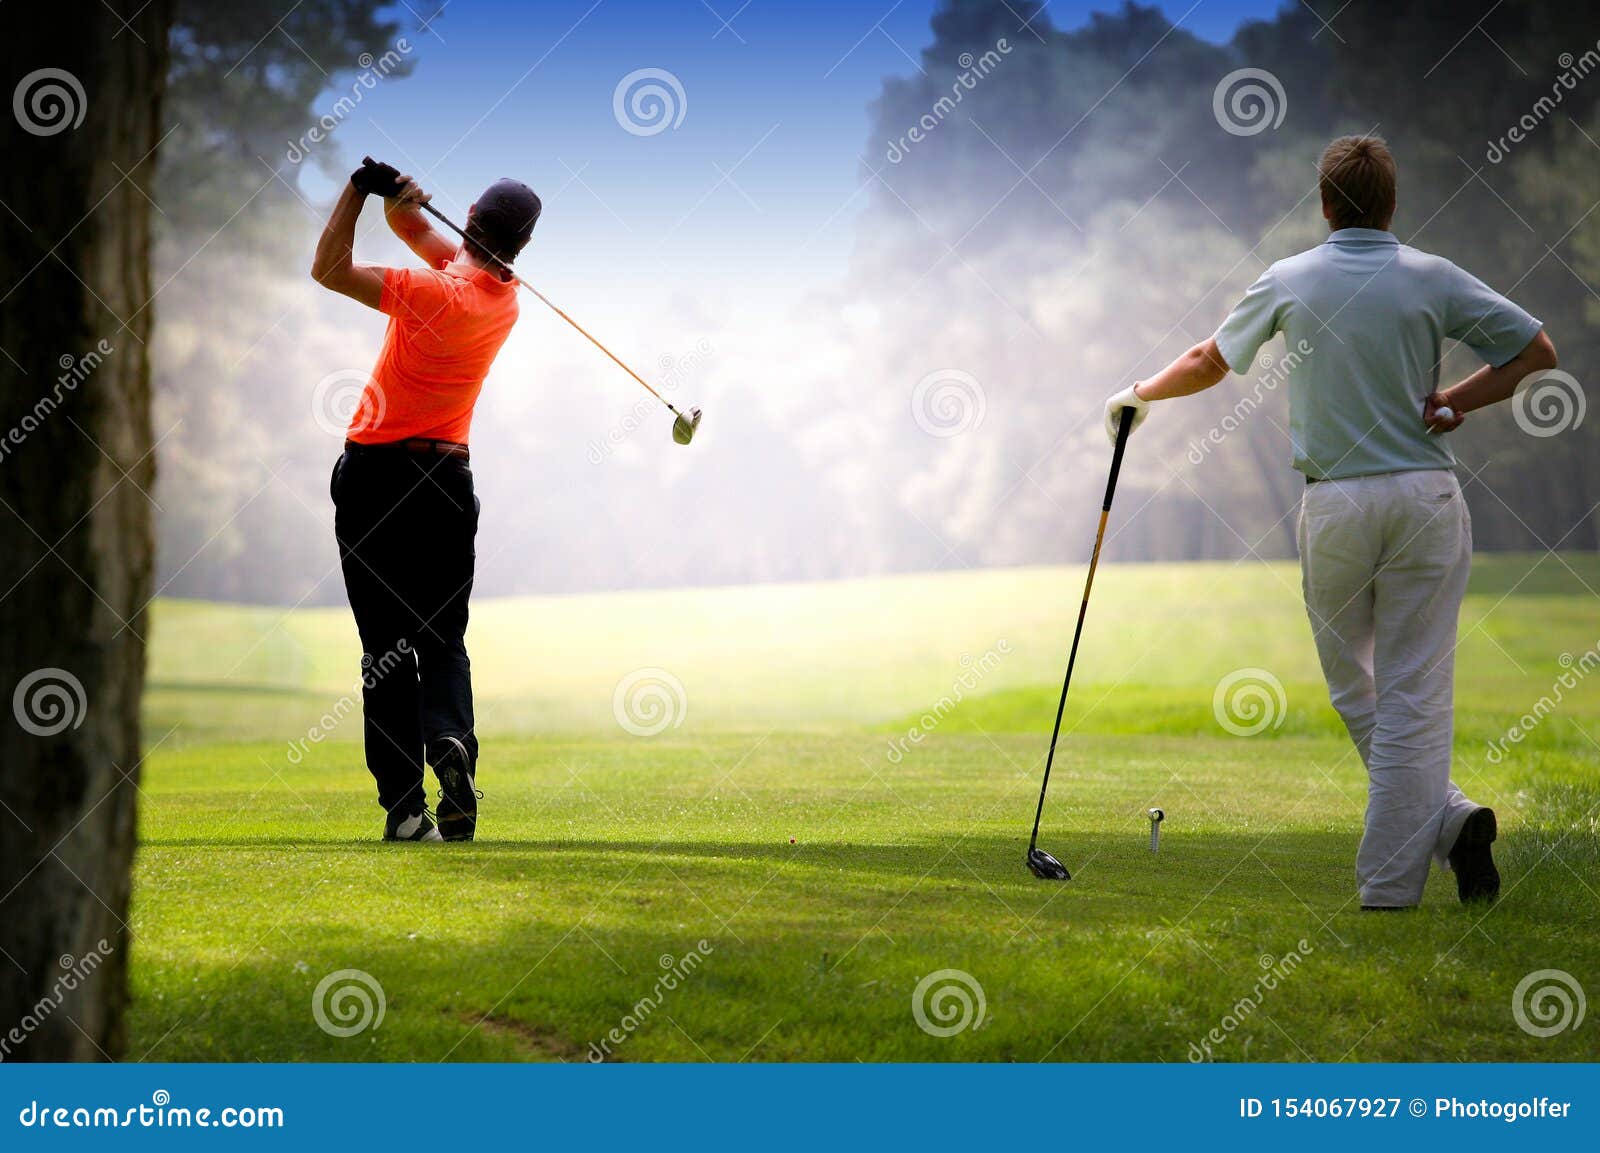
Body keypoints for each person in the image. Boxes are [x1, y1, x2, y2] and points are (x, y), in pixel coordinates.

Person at [1104, 135, 1558, 909]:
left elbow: (1211, 359)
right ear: (1390, 204)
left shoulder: (1290, 277)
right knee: (1413, 690)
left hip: (1338, 503)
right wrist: (1455, 401)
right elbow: (1535, 350)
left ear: (1323, 204)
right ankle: (1451, 823)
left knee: (1359, 689)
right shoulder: (1432, 275)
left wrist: (1137, 395)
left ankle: (1387, 890)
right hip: (1426, 498)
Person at [310, 159, 541, 843]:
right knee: (442, 639)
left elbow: (329, 269)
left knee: (385, 649)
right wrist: (403, 204)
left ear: (469, 218)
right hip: (446, 483)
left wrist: (357, 190)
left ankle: (406, 809)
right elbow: (421, 234)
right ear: (521, 246)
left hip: (376, 476)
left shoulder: (424, 290)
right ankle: (452, 741)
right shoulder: (504, 297)